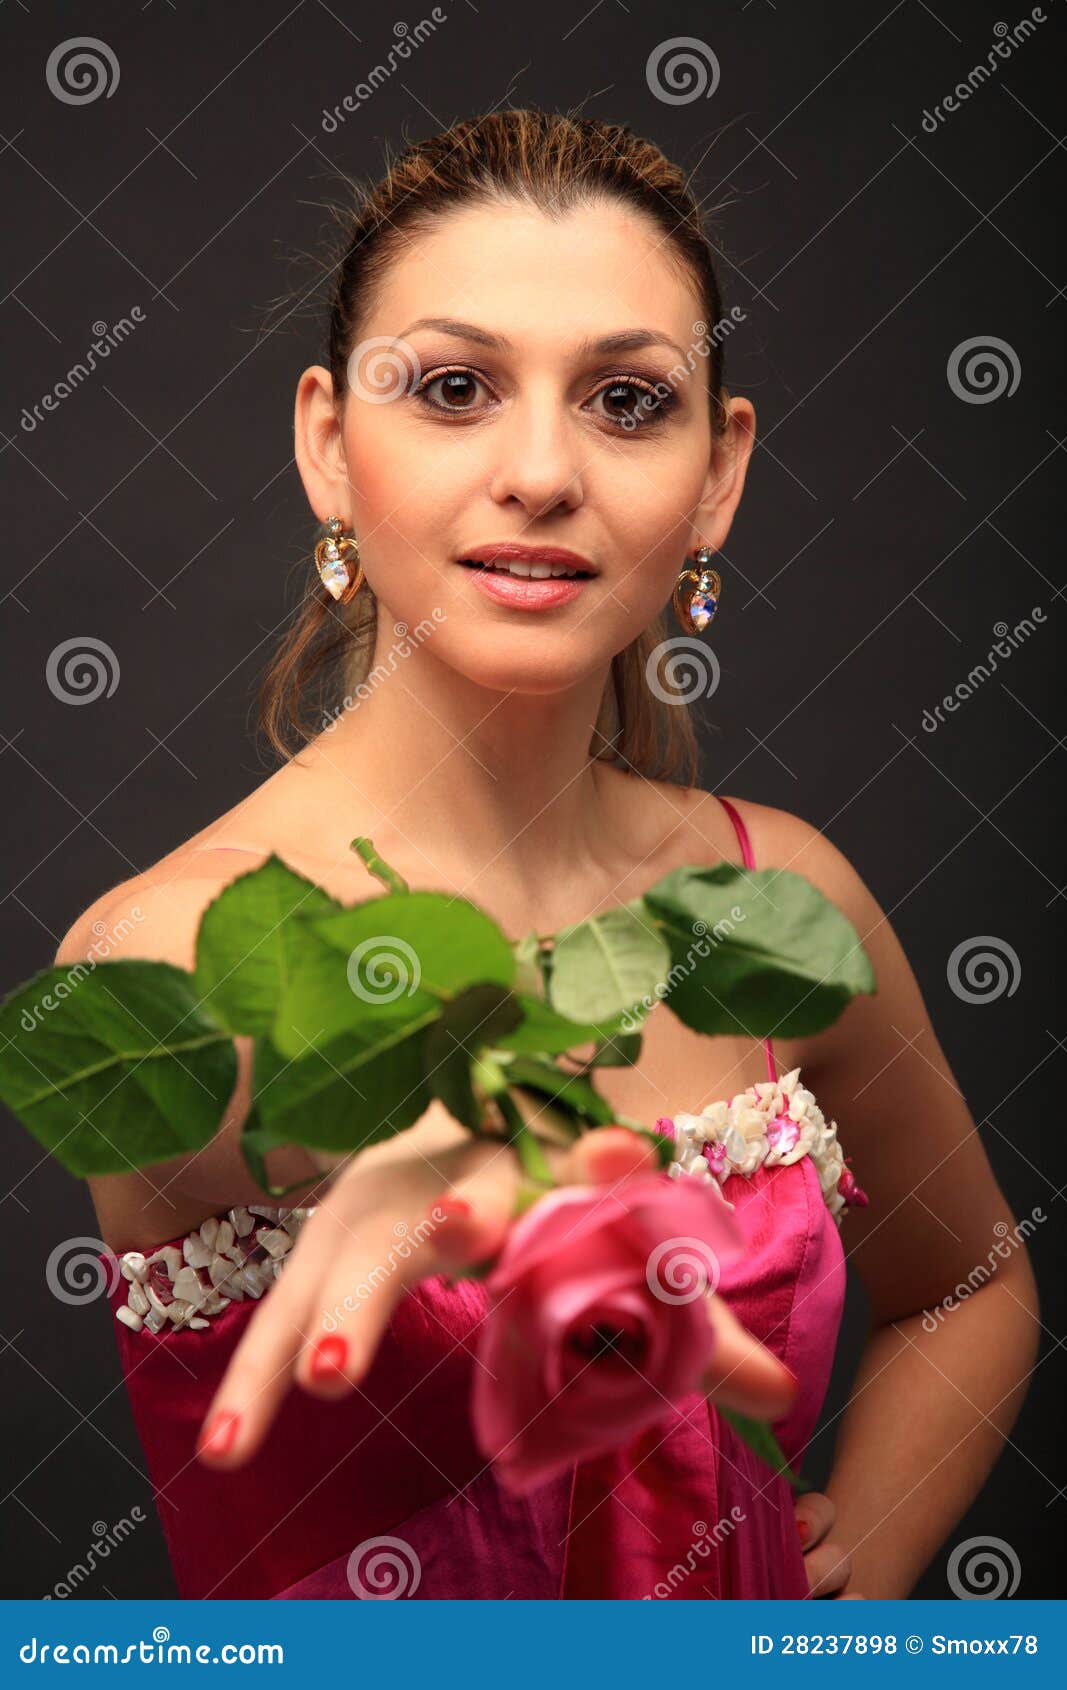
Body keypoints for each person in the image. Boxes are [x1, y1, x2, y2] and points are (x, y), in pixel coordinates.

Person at [57, 108, 1037, 1601]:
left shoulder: (774, 902)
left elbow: (971, 1280)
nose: (539, 469)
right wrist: (446, 1156)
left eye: (629, 402)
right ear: (328, 443)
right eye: (453, 387)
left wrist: (857, 1571)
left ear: (719, 473)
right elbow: (185, 1058)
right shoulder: (167, 943)